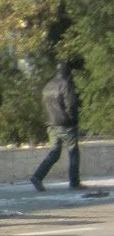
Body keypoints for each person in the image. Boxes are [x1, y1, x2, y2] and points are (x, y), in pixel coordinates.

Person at [31, 60, 81, 191]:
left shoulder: (48, 86)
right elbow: (71, 105)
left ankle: (37, 176)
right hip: (65, 124)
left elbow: (44, 106)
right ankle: (74, 182)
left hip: (51, 124)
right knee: (73, 152)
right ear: (67, 72)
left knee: (54, 153)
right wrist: (73, 120)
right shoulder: (65, 84)